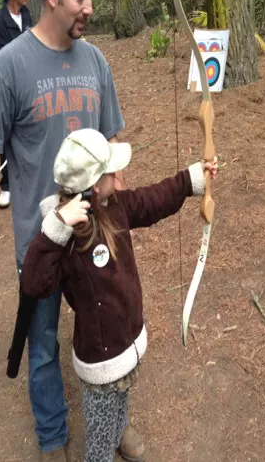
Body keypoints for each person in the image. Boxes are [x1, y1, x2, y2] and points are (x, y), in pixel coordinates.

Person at [0, 0, 126, 460]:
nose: (90, 8)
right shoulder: (9, 66)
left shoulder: (96, 62)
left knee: (110, 333)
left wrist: (117, 194)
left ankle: (115, 427)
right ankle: (53, 438)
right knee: (42, 348)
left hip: (93, 237)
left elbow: (111, 139)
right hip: (41, 243)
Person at [19, 129, 217, 462]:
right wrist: (55, 228)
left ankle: (119, 431)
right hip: (99, 360)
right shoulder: (65, 235)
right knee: (98, 447)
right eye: (112, 171)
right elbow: (35, 284)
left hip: (127, 343)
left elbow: (153, 199)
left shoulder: (114, 205)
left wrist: (190, 179)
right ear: (95, 184)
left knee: (121, 405)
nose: (118, 174)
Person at [0, 0, 33, 209]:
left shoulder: (27, 15)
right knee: (7, 135)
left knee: (27, 130)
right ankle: (6, 186)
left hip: (29, 82)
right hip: (10, 87)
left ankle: (26, 177)